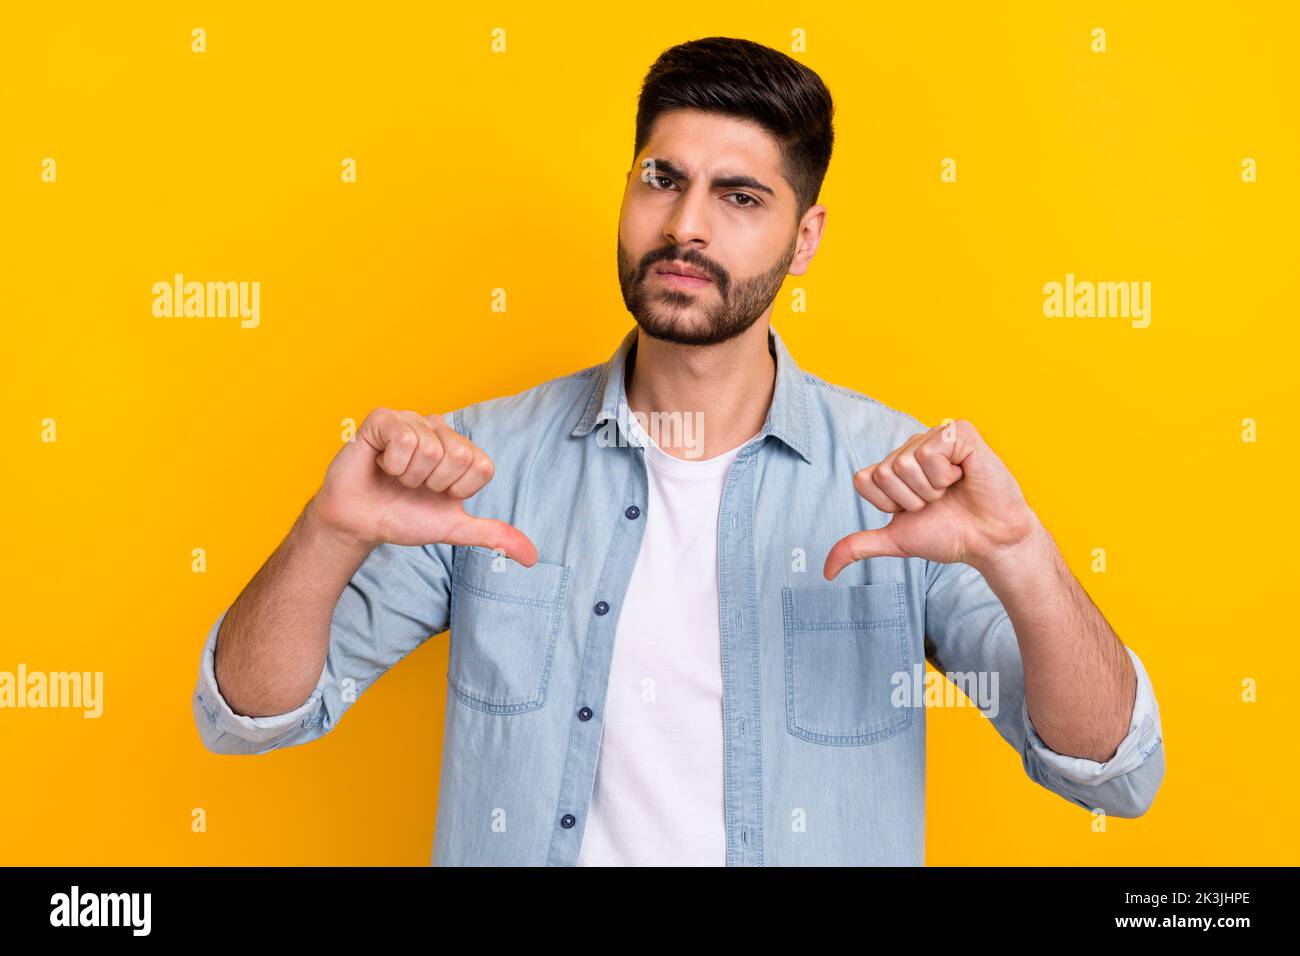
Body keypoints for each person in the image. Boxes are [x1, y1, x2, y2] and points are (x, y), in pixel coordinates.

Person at [192, 36, 1164, 866]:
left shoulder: (903, 487)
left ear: (806, 236)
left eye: (740, 196)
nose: (685, 225)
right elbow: (245, 715)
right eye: (663, 179)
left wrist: (1020, 554)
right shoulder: (481, 462)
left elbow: (1114, 769)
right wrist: (326, 532)